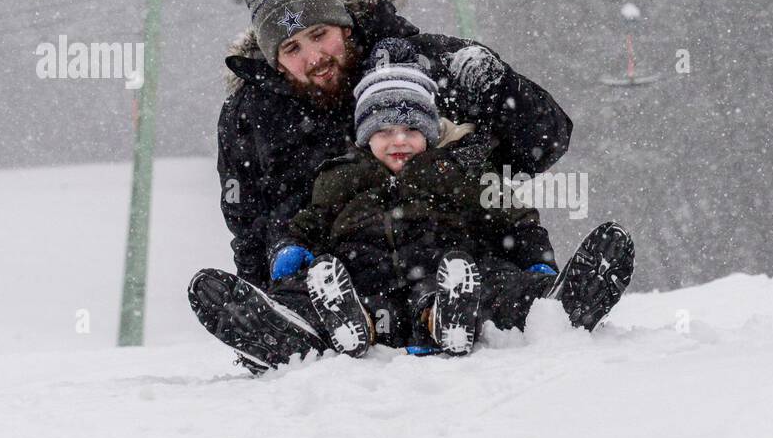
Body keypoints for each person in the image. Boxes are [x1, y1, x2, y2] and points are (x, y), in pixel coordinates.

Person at [189, 0, 576, 371]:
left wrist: (500, 86)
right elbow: (249, 221)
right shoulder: (252, 113)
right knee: (309, 285)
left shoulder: (424, 64)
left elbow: (545, 144)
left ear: (346, 27)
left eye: (320, 35)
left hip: (451, 259)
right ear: (275, 61)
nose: (314, 58)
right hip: (340, 278)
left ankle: (544, 309)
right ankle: (290, 325)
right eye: (292, 48)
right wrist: (268, 296)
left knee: (489, 277)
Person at [259, 40, 634, 359]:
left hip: (450, 279)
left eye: (411, 129)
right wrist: (291, 249)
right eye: (384, 131)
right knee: (315, 287)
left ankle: (551, 305)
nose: (399, 140)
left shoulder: (453, 171)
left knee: (495, 282)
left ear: (430, 133)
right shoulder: (340, 176)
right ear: (364, 137)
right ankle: (285, 325)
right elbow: (310, 222)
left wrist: (536, 262)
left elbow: (513, 218)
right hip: (364, 286)